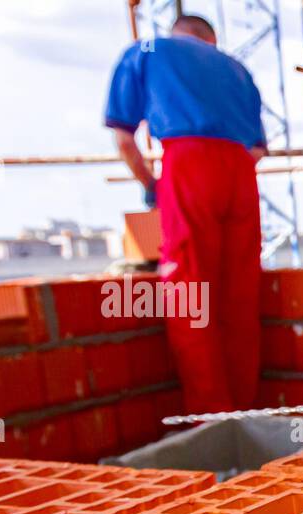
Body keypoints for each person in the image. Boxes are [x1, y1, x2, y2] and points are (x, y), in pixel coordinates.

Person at [105, 14, 266, 413]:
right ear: (211, 39)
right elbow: (258, 149)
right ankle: (246, 414)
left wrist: (152, 186)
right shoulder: (236, 69)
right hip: (240, 174)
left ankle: (212, 421)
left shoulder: (149, 51)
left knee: (190, 294)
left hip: (187, 165)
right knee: (240, 298)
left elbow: (124, 139)